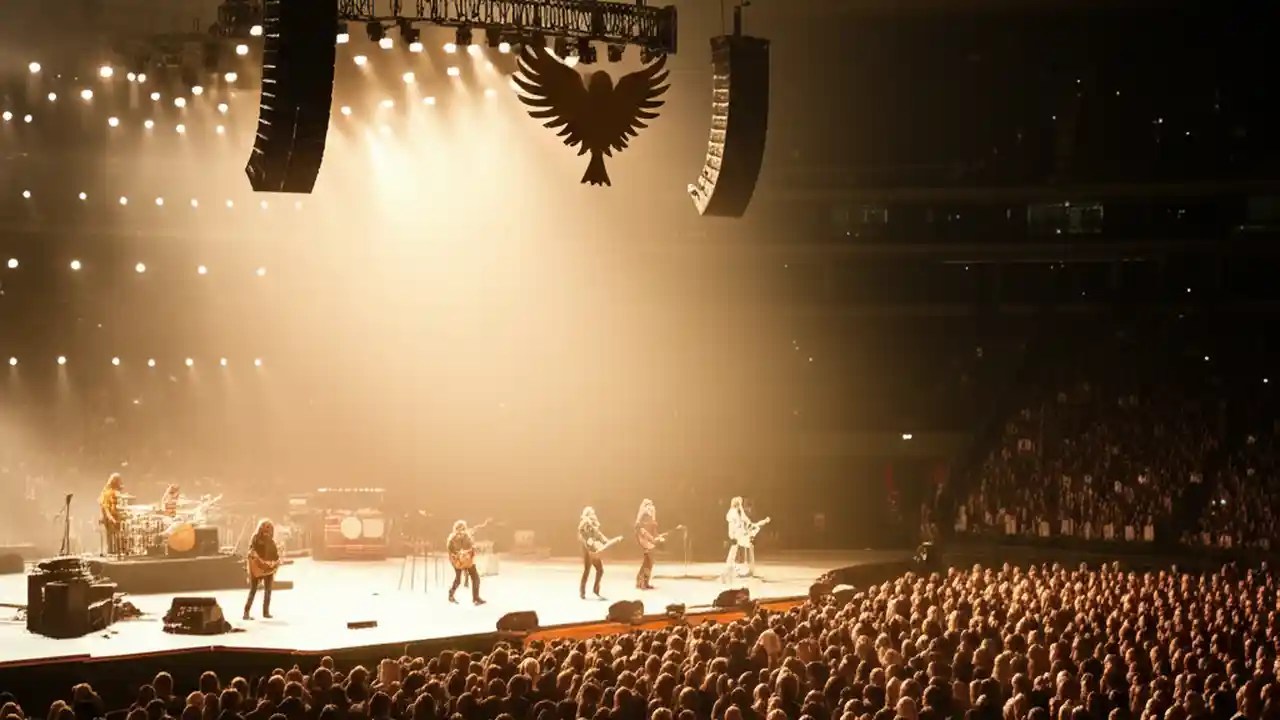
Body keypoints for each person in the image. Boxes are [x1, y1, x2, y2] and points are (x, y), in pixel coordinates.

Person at [244, 519, 280, 620]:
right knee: (253, 590)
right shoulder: (255, 538)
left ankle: (266, 612)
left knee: (268, 590)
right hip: (257, 567)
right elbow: (251, 551)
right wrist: (258, 561)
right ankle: (246, 612)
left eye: (269, 528)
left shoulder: (271, 541)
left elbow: (275, 555)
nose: (267, 530)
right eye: (265, 528)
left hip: (268, 568)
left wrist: (275, 562)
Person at [722, 496, 764, 581]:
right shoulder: (732, 512)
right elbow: (733, 525)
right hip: (737, 535)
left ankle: (749, 569)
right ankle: (729, 570)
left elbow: (744, 521)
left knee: (746, 547)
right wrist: (732, 535)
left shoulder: (738, 512)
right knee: (734, 551)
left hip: (740, 534)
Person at [446, 520, 486, 605]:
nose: (461, 531)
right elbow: (451, 551)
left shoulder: (467, 537)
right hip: (458, 562)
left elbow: (471, 546)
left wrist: (473, 549)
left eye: (463, 529)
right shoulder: (452, 539)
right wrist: (457, 556)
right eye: (459, 529)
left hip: (467, 560)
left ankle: (476, 598)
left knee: (475, 578)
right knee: (458, 580)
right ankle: (451, 594)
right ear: (456, 529)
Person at [577, 507, 612, 600]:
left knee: (599, 570)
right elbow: (584, 536)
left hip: (594, 550)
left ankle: (595, 590)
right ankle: (582, 591)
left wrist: (605, 541)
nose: (593, 514)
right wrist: (589, 542)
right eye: (591, 513)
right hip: (588, 550)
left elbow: (598, 534)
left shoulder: (594, 523)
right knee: (587, 570)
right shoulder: (585, 524)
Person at [634, 499, 658, 590]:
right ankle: (642, 582)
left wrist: (657, 537)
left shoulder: (651, 517)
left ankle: (643, 582)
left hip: (649, 541)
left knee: (648, 562)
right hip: (645, 541)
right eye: (649, 505)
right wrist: (650, 539)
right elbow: (641, 530)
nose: (651, 507)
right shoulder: (644, 516)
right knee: (648, 562)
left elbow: (654, 529)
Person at [99, 473, 124, 556]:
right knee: (111, 539)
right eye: (119, 481)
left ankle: (116, 552)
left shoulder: (116, 493)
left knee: (117, 537)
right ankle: (111, 553)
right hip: (109, 520)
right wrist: (112, 519)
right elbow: (106, 509)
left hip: (115, 518)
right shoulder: (107, 493)